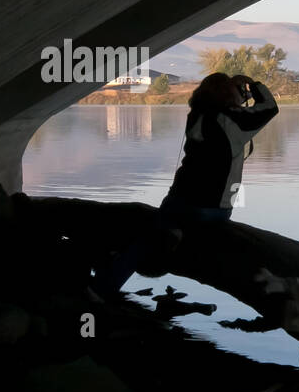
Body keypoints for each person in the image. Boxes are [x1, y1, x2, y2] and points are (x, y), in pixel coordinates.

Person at [89, 72, 279, 297]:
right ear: (229, 95)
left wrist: (232, 88)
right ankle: (180, 237)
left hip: (179, 201)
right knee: (187, 227)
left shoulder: (196, 115)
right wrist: (252, 84)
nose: (242, 95)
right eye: (238, 92)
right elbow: (269, 107)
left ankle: (102, 288)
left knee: (142, 243)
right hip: (214, 209)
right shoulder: (233, 121)